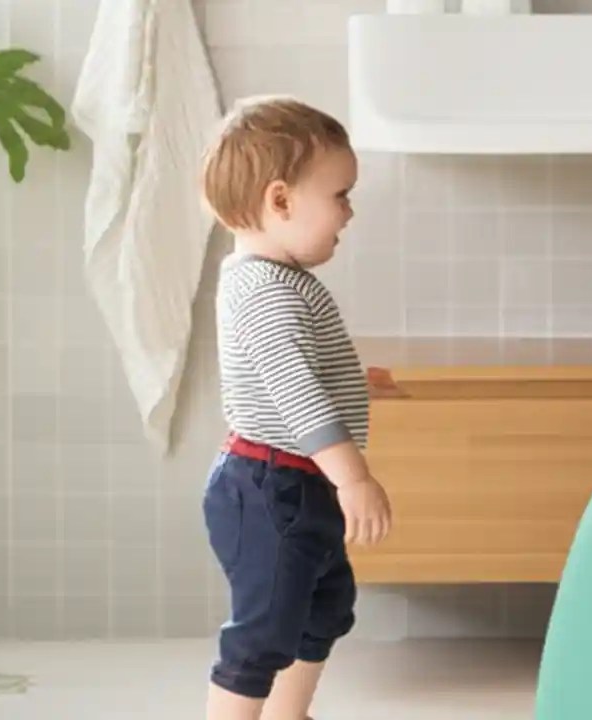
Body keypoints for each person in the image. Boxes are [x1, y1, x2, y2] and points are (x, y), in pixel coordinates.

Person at [198, 95, 393, 720]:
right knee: (265, 628)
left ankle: (286, 713)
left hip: (290, 481)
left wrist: (355, 382)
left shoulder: (275, 279)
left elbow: (299, 368)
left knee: (326, 603)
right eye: (340, 194)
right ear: (280, 201)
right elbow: (296, 393)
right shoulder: (263, 289)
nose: (349, 212)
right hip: (271, 484)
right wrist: (353, 476)